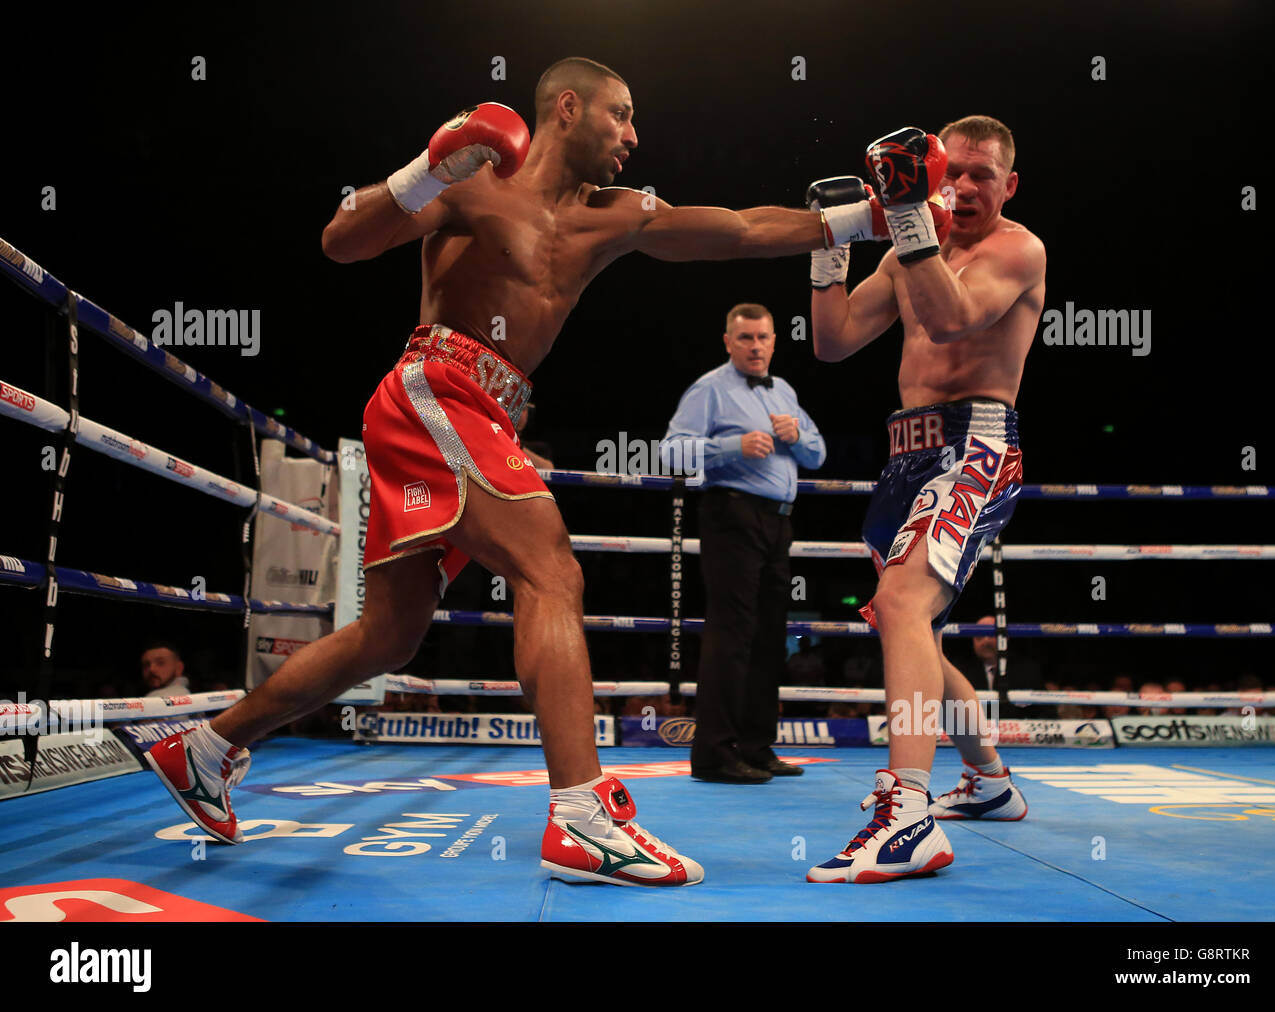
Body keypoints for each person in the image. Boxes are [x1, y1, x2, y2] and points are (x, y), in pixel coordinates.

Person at [146, 56, 886, 888]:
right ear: (567, 109)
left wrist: (862, 219)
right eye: (621, 115)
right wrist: (431, 165)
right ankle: (580, 815)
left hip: (481, 413)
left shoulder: (616, 216)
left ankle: (204, 749)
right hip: (436, 387)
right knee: (550, 569)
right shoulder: (474, 185)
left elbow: (740, 230)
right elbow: (341, 238)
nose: (635, 136)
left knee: (391, 633)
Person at [803, 116, 1046, 883]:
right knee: (909, 625)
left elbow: (950, 319)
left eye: (984, 174)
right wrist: (828, 245)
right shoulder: (918, 249)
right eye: (955, 172)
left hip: (974, 441)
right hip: (905, 454)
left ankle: (906, 813)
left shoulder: (1017, 248)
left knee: (904, 607)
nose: (967, 187)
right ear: (933, 174)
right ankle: (990, 781)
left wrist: (906, 213)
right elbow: (833, 339)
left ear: (1008, 186)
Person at [661, 302, 826, 783]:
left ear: (774, 341)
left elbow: (817, 454)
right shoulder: (710, 388)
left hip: (778, 522)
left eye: (763, 338)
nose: (755, 346)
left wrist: (797, 437)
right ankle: (713, 752)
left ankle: (756, 745)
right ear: (728, 342)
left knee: (771, 636)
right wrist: (731, 446)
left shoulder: (786, 391)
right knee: (731, 634)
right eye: (745, 338)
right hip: (731, 514)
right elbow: (671, 450)